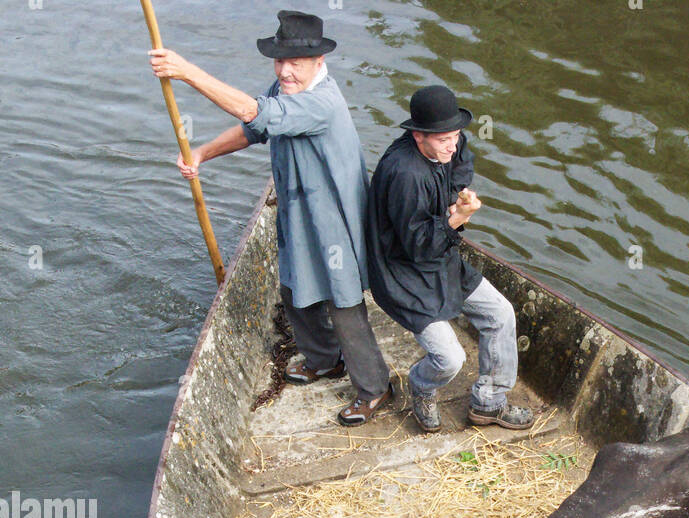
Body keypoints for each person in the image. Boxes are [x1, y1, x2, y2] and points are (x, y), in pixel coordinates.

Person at [149, 10, 393, 426]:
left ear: (318, 62)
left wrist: (187, 71)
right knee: (293, 287)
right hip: (298, 212)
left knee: (343, 299)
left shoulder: (322, 101)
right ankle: (323, 358)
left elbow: (255, 113)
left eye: (294, 63)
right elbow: (254, 129)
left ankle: (374, 388)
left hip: (332, 220)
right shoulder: (285, 89)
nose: (285, 71)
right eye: (279, 61)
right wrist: (202, 153)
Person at [366, 85, 534, 434]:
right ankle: (422, 386)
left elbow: (461, 162)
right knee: (449, 359)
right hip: (403, 275)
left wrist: (458, 194)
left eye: (456, 135)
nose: (452, 145)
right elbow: (418, 247)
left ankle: (488, 404)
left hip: (441, 261)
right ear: (418, 135)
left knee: (500, 315)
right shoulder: (405, 175)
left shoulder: (448, 143)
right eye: (444, 139)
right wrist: (456, 218)